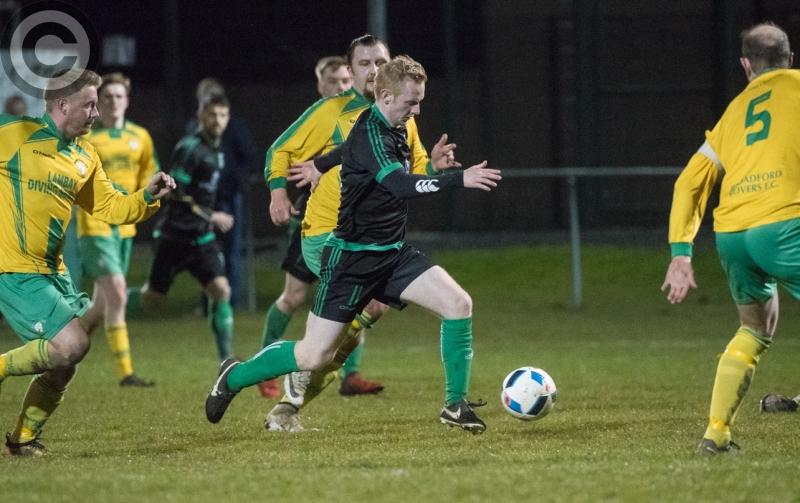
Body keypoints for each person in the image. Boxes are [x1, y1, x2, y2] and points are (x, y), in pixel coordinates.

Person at [206, 54, 501, 435]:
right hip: (351, 259)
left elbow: (353, 155)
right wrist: (458, 180)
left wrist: (428, 165)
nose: (417, 110)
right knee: (314, 354)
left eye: (420, 101)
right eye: (411, 102)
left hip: (392, 254)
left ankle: (454, 405)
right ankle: (233, 376)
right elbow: (398, 184)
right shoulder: (373, 132)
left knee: (458, 303)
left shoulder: (393, 126)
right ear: (386, 97)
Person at [260, 35, 460, 430]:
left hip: (369, 238)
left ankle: (297, 391)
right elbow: (278, 150)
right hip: (326, 235)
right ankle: (286, 378)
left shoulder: (404, 116)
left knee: (361, 319)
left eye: (380, 61)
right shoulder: (331, 111)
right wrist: (277, 193)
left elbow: (411, 175)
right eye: (365, 64)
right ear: (350, 73)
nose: (373, 70)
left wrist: (434, 167)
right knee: (355, 309)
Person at [0, 68, 174, 456]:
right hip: (14, 270)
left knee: (65, 363)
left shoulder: (84, 156)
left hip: (53, 274)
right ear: (63, 105)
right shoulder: (15, 136)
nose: (96, 113)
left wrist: (146, 195)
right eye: (90, 104)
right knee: (72, 344)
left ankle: (22, 440)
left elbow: (110, 206)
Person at [661, 22, 799, 455]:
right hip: (785, 222)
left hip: (734, 234)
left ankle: (716, 435)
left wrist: (681, 253)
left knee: (754, 328)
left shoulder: (734, 112)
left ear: (745, 65)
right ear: (789, 59)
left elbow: (688, 183)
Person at [257, 55, 353, 400]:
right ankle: (263, 367)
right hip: (313, 226)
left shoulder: (363, 115)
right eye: (334, 81)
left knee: (361, 296)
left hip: (351, 227)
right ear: (320, 84)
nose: (340, 87)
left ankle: (349, 374)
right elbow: (287, 158)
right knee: (293, 297)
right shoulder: (320, 117)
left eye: (345, 80)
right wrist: (285, 195)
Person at [131, 94, 237, 362]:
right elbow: (174, 192)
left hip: (201, 238)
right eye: (212, 115)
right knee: (153, 299)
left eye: (223, 115)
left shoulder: (217, 150)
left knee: (221, 290)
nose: (218, 121)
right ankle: (111, 302)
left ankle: (227, 361)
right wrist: (210, 215)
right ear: (201, 116)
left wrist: (207, 220)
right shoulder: (189, 147)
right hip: (174, 237)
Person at [76, 72, 158, 387]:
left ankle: (56, 353)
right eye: (106, 97)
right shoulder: (87, 137)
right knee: (118, 294)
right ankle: (126, 373)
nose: (112, 101)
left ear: (127, 99)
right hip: (94, 224)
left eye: (118, 96)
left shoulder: (141, 136)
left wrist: (149, 196)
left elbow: (148, 175)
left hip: (124, 228)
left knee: (100, 307)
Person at [190, 78, 257, 310]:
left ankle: (231, 303)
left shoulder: (235, 126)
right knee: (203, 252)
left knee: (230, 252)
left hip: (228, 198)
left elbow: (250, 157)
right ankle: (207, 303)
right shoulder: (193, 130)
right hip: (203, 200)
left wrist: (234, 181)